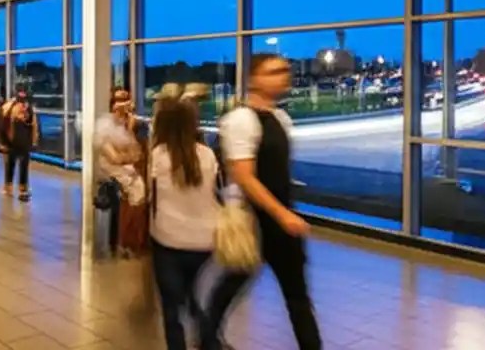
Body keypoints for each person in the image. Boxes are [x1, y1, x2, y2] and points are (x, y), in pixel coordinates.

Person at [205, 53, 321, 350]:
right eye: (273, 71)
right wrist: (282, 215)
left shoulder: (280, 118)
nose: (283, 75)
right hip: (255, 219)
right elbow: (245, 177)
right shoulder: (241, 120)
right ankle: (206, 338)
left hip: (277, 217)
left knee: (295, 294)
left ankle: (206, 337)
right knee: (235, 283)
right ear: (254, 79)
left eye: (285, 70)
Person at [148, 93, 221, 350]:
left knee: (172, 309)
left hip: (168, 240)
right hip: (204, 242)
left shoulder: (158, 155)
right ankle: (210, 341)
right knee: (194, 299)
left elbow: (149, 195)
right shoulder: (207, 155)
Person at [97, 87, 146, 256]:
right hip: (111, 171)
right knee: (131, 192)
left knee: (140, 192)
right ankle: (123, 241)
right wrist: (127, 155)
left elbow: (137, 153)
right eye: (120, 101)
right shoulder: (104, 125)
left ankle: (132, 241)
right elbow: (113, 158)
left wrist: (130, 131)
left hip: (127, 170)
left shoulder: (126, 126)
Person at [3, 88, 37, 201]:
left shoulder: (27, 108)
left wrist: (34, 141)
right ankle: (12, 186)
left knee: (19, 165)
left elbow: (33, 125)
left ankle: (18, 187)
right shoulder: (13, 106)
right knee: (14, 164)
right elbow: (4, 116)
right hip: (15, 140)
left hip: (20, 141)